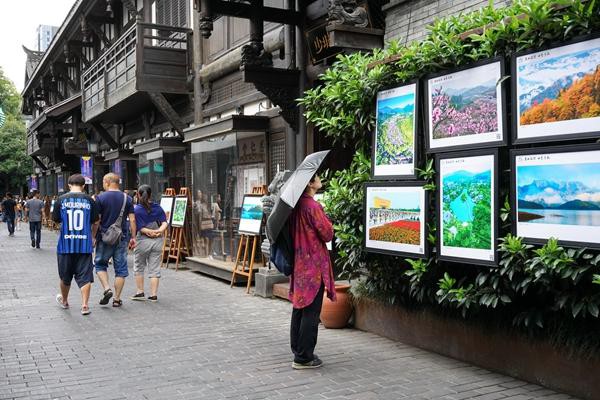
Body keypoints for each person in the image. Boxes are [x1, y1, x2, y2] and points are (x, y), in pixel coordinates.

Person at [289, 174, 336, 370]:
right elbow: (327, 234)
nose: (319, 179)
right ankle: (304, 357)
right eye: (316, 177)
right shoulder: (312, 207)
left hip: (299, 263)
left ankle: (298, 349)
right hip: (314, 266)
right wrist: (328, 220)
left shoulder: (296, 206)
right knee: (311, 311)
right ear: (310, 183)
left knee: (300, 306)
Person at [52, 174, 100, 315]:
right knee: (85, 276)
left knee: (65, 276)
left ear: (68, 185)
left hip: (65, 245)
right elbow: (96, 222)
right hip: (84, 244)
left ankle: (65, 301)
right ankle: (84, 305)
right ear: (84, 186)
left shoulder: (60, 200)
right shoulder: (90, 200)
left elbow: (55, 220)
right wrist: (92, 236)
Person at [94, 173, 136, 308]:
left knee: (100, 265)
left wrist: (93, 236)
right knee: (121, 269)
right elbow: (133, 219)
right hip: (122, 238)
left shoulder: (100, 198)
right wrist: (134, 237)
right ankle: (117, 299)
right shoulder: (127, 198)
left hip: (104, 237)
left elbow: (97, 221)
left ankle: (107, 288)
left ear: (107, 182)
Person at [130, 185, 168, 302]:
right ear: (151, 195)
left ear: (138, 195)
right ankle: (153, 295)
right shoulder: (157, 207)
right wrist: (159, 231)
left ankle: (140, 292)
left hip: (142, 241)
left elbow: (140, 228)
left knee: (139, 266)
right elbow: (164, 222)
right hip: (158, 240)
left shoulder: (136, 209)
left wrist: (150, 232)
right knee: (155, 268)